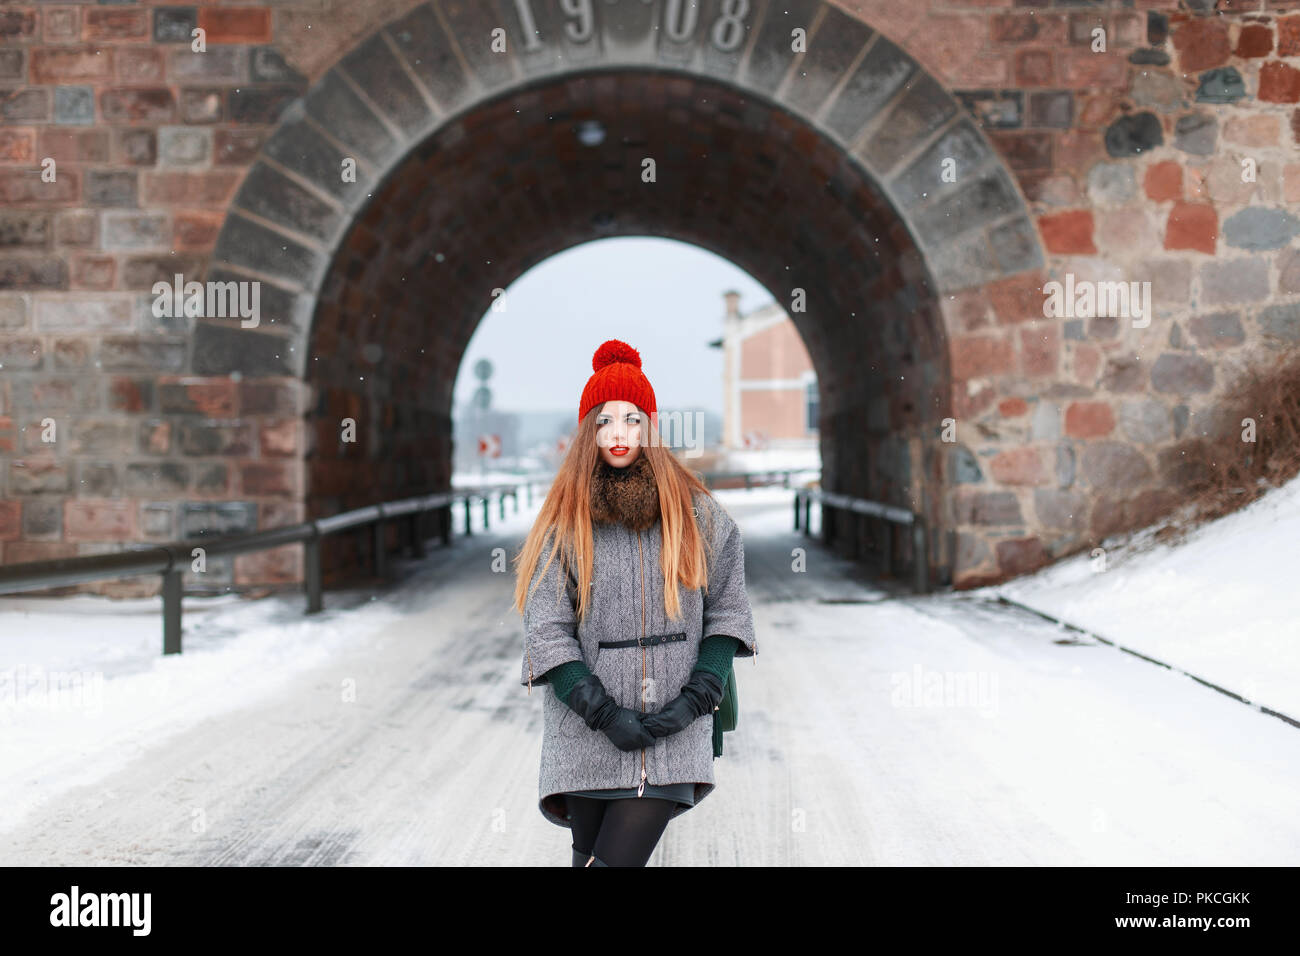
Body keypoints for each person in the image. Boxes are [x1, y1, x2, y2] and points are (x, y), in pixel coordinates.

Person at [513, 339, 758, 867]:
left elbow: (728, 612)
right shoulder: (564, 524)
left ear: (650, 425)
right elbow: (547, 631)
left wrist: (695, 700)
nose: (619, 433)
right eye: (604, 421)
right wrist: (601, 712)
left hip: (675, 734)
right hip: (585, 735)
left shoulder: (700, 518)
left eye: (631, 418)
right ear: (588, 431)